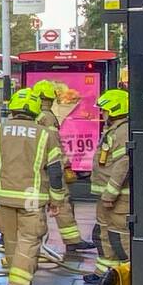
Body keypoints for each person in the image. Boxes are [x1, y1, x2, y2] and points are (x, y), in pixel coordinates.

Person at [0, 88, 69, 285]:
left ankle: (16, 279)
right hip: (31, 198)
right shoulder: (45, 134)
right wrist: (56, 200)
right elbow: (56, 171)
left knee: (11, 241)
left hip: (3, 198)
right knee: (29, 240)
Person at [30, 79, 95, 252]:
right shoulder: (48, 117)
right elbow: (53, 145)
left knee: (30, 205)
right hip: (49, 168)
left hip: (32, 168)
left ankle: (14, 239)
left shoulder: (31, 115)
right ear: (49, 98)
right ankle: (72, 240)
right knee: (63, 201)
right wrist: (65, 165)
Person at [88, 88, 131, 285]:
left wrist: (110, 193)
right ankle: (104, 273)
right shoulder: (114, 129)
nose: (102, 114)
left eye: (104, 110)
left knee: (119, 237)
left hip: (117, 198)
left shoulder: (123, 131)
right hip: (106, 194)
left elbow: (123, 164)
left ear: (115, 110)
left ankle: (129, 278)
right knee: (102, 232)